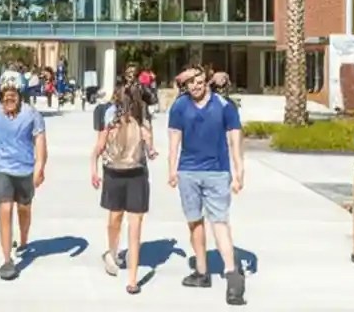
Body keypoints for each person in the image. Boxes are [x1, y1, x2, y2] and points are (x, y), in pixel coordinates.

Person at [167, 65, 247, 306]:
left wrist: (239, 170)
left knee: (219, 222)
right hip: (188, 172)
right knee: (194, 222)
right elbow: (174, 140)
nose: (195, 86)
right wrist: (171, 169)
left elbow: (235, 140)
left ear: (207, 81)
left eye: (199, 81)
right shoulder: (179, 106)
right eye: (190, 82)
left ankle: (233, 275)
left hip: (217, 172)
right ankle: (201, 272)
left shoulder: (224, 106)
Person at [91, 82, 158, 294]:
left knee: (135, 225)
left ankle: (132, 278)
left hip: (136, 173)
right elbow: (98, 147)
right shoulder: (110, 117)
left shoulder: (144, 120)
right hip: (114, 172)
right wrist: (93, 169)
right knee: (115, 218)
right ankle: (112, 251)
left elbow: (150, 147)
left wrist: (150, 147)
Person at [0, 80, 47, 281]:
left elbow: (40, 143)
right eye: (6, 94)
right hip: (2, 170)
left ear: (20, 95)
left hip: (25, 170)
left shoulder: (32, 114)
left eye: (13, 93)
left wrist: (40, 168)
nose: (9, 97)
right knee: (5, 209)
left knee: (24, 209)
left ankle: (23, 239)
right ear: (0, 95)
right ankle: (7, 260)